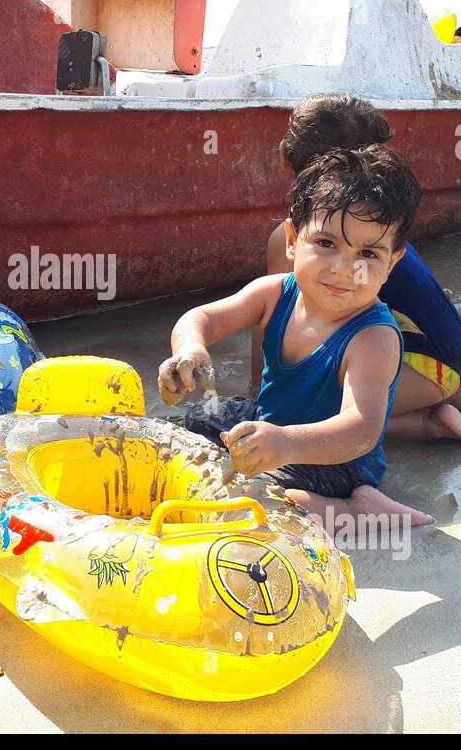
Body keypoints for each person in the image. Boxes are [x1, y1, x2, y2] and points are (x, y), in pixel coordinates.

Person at [159, 145, 433, 530]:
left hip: (336, 463)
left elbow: (362, 428)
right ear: (292, 239)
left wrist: (287, 443)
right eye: (326, 244)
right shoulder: (273, 294)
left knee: (261, 506)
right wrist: (190, 348)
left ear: (393, 262)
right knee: (181, 429)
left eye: (368, 253)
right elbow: (200, 317)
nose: (343, 268)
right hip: (271, 424)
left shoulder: (372, 337)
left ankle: (359, 512)